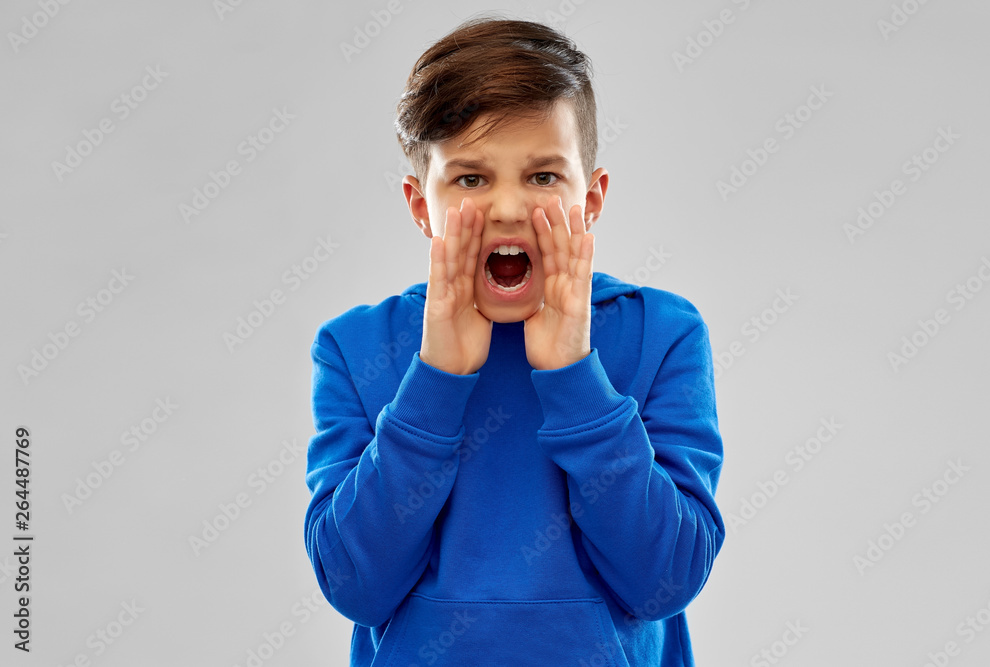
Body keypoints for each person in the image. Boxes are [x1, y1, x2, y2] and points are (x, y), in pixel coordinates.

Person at [304, 14, 725, 666]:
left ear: (592, 198)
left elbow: (665, 578)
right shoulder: (356, 349)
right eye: (471, 178)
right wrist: (437, 378)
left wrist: (575, 374)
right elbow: (355, 584)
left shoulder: (662, 335)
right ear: (422, 206)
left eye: (543, 176)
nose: (507, 207)